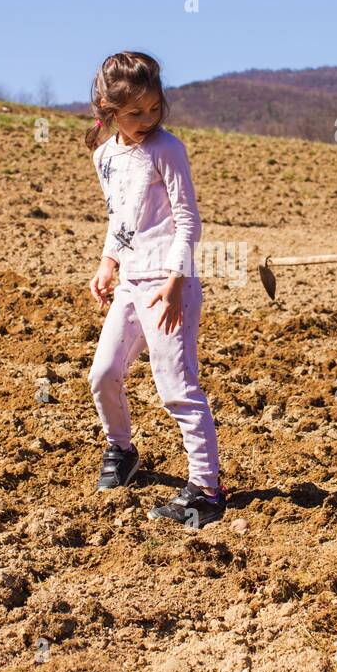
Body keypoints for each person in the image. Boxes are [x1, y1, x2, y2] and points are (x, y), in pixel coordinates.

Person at [84, 51, 226, 528]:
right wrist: (107, 263)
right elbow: (120, 219)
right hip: (129, 283)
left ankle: (207, 490)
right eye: (134, 113)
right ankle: (122, 450)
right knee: (102, 374)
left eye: (153, 108)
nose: (147, 120)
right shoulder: (104, 156)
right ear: (107, 109)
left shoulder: (168, 149)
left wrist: (175, 281)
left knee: (177, 389)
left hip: (169, 285)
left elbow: (188, 220)